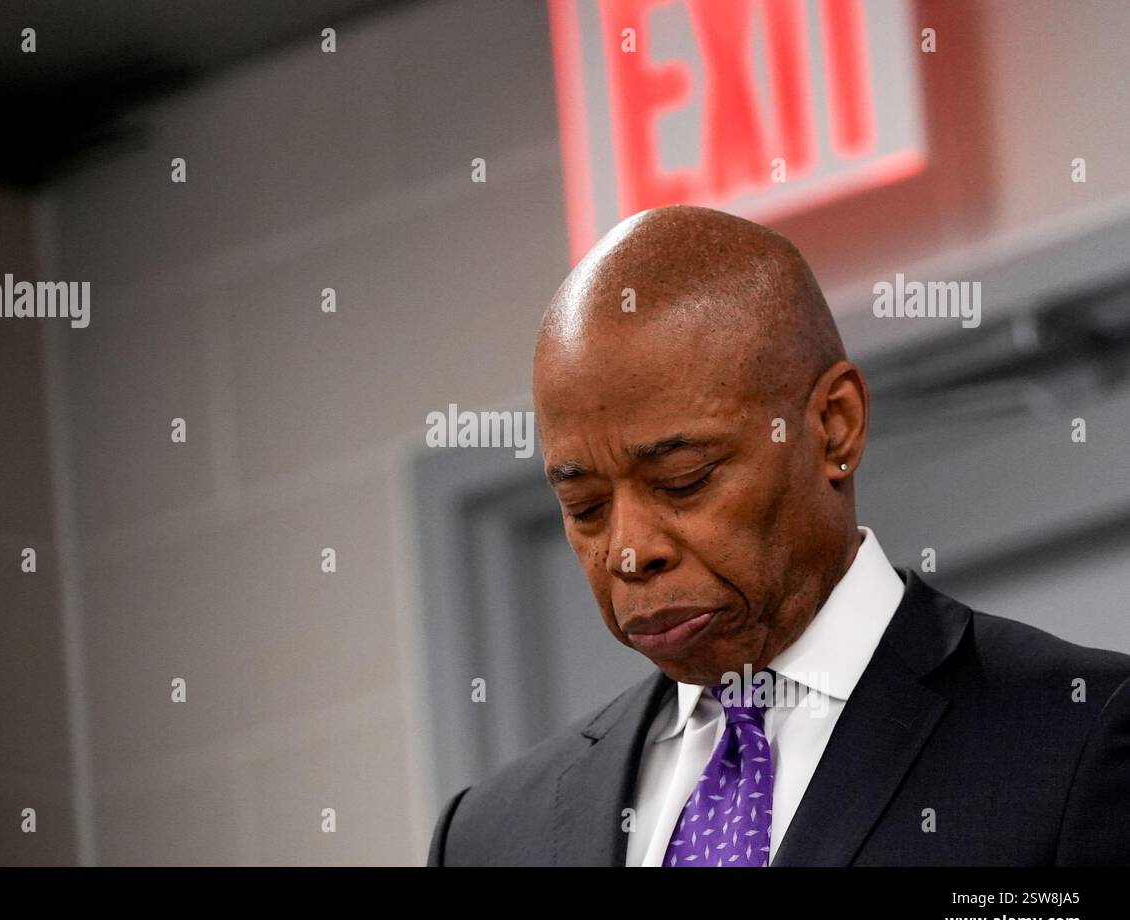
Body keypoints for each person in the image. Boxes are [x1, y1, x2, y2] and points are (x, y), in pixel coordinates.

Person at [427, 205, 1130, 866]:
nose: (629, 550)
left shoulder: (1077, 739)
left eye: (685, 479)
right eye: (584, 506)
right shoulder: (489, 838)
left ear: (834, 426)